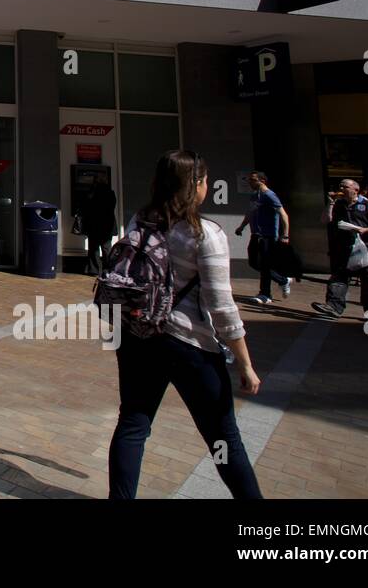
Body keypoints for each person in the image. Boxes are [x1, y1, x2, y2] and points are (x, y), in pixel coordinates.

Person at [107, 149, 263, 500]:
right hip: (188, 345)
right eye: (205, 180)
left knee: (133, 423)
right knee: (224, 439)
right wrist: (245, 363)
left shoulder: (141, 220)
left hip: (137, 335)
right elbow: (222, 308)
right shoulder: (205, 234)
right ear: (195, 186)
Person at [313, 179, 368, 319]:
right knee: (338, 278)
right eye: (340, 186)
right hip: (343, 248)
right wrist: (331, 202)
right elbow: (325, 220)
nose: (341, 188)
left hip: (366, 248)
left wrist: (365, 229)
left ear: (355, 190)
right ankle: (333, 306)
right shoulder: (338, 204)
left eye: (344, 186)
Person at [234, 171, 292, 305]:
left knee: (265, 264)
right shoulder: (255, 196)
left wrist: (286, 234)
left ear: (262, 181)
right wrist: (242, 226)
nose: (250, 182)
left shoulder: (269, 195)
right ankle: (283, 280)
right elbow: (250, 212)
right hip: (256, 234)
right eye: (249, 180)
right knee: (253, 262)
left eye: (253, 180)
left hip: (268, 236)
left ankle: (265, 294)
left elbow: (283, 215)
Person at [80, 172, 118, 276]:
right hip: (107, 225)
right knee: (106, 248)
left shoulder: (92, 192)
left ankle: (94, 269)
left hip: (94, 224)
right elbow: (111, 207)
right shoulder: (110, 192)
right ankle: (108, 269)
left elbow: (86, 206)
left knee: (93, 248)